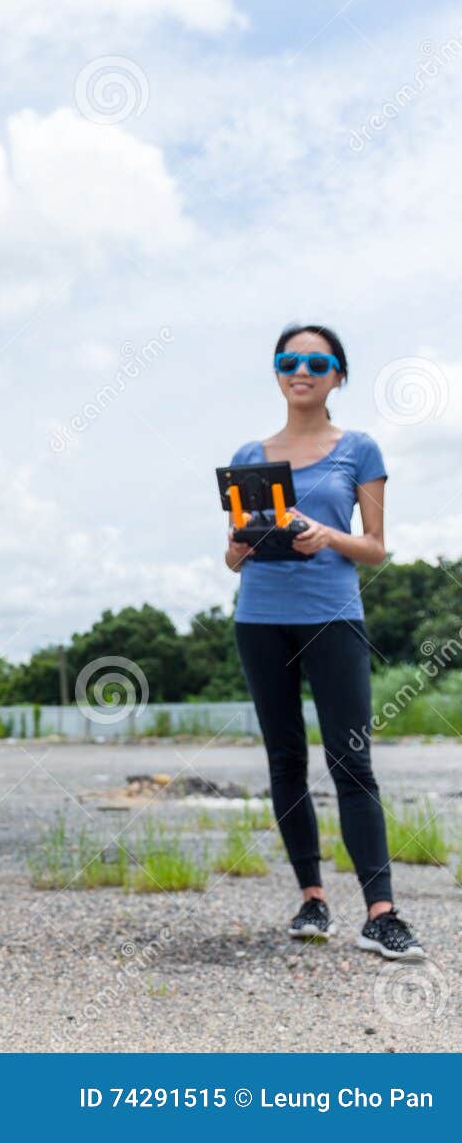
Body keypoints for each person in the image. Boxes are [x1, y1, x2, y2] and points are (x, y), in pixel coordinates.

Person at [224, 323, 424, 961]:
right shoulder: (251, 456)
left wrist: (326, 535)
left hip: (332, 617)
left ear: (338, 375)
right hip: (260, 617)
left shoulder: (358, 449)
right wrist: (236, 549)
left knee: (351, 760)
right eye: (289, 360)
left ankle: (382, 913)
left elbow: (374, 547)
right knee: (285, 761)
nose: (300, 369)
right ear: (278, 372)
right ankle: (312, 898)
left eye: (316, 361)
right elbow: (234, 558)